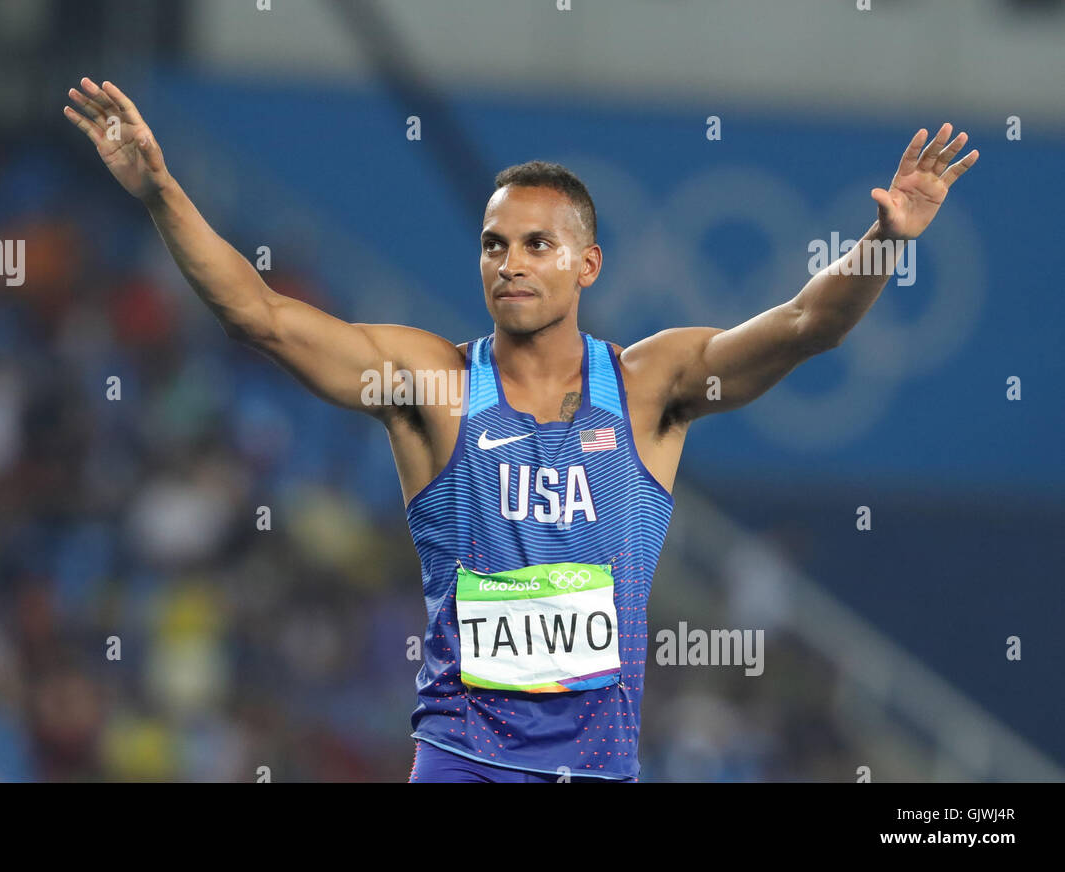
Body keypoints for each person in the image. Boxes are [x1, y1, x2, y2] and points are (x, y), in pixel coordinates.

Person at [63, 78, 978, 783]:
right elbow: (260, 315)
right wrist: (160, 191)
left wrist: (884, 242)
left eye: (536, 245)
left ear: (588, 264)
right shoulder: (433, 385)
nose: (509, 263)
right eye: (495, 244)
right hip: (462, 759)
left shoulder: (649, 387)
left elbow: (803, 325)